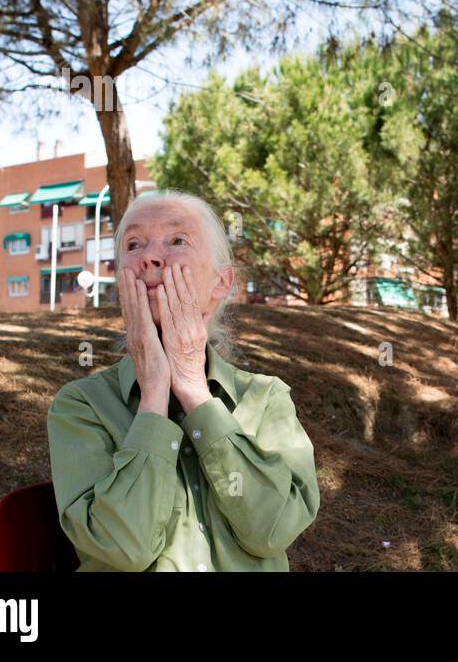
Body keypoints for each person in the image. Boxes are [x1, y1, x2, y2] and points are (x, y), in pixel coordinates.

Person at [46, 189, 320, 571]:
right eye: (134, 244)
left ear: (221, 282)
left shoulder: (267, 398)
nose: (150, 257)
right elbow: (125, 547)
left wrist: (193, 388)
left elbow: (272, 530)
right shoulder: (81, 405)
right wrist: (153, 395)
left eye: (177, 241)